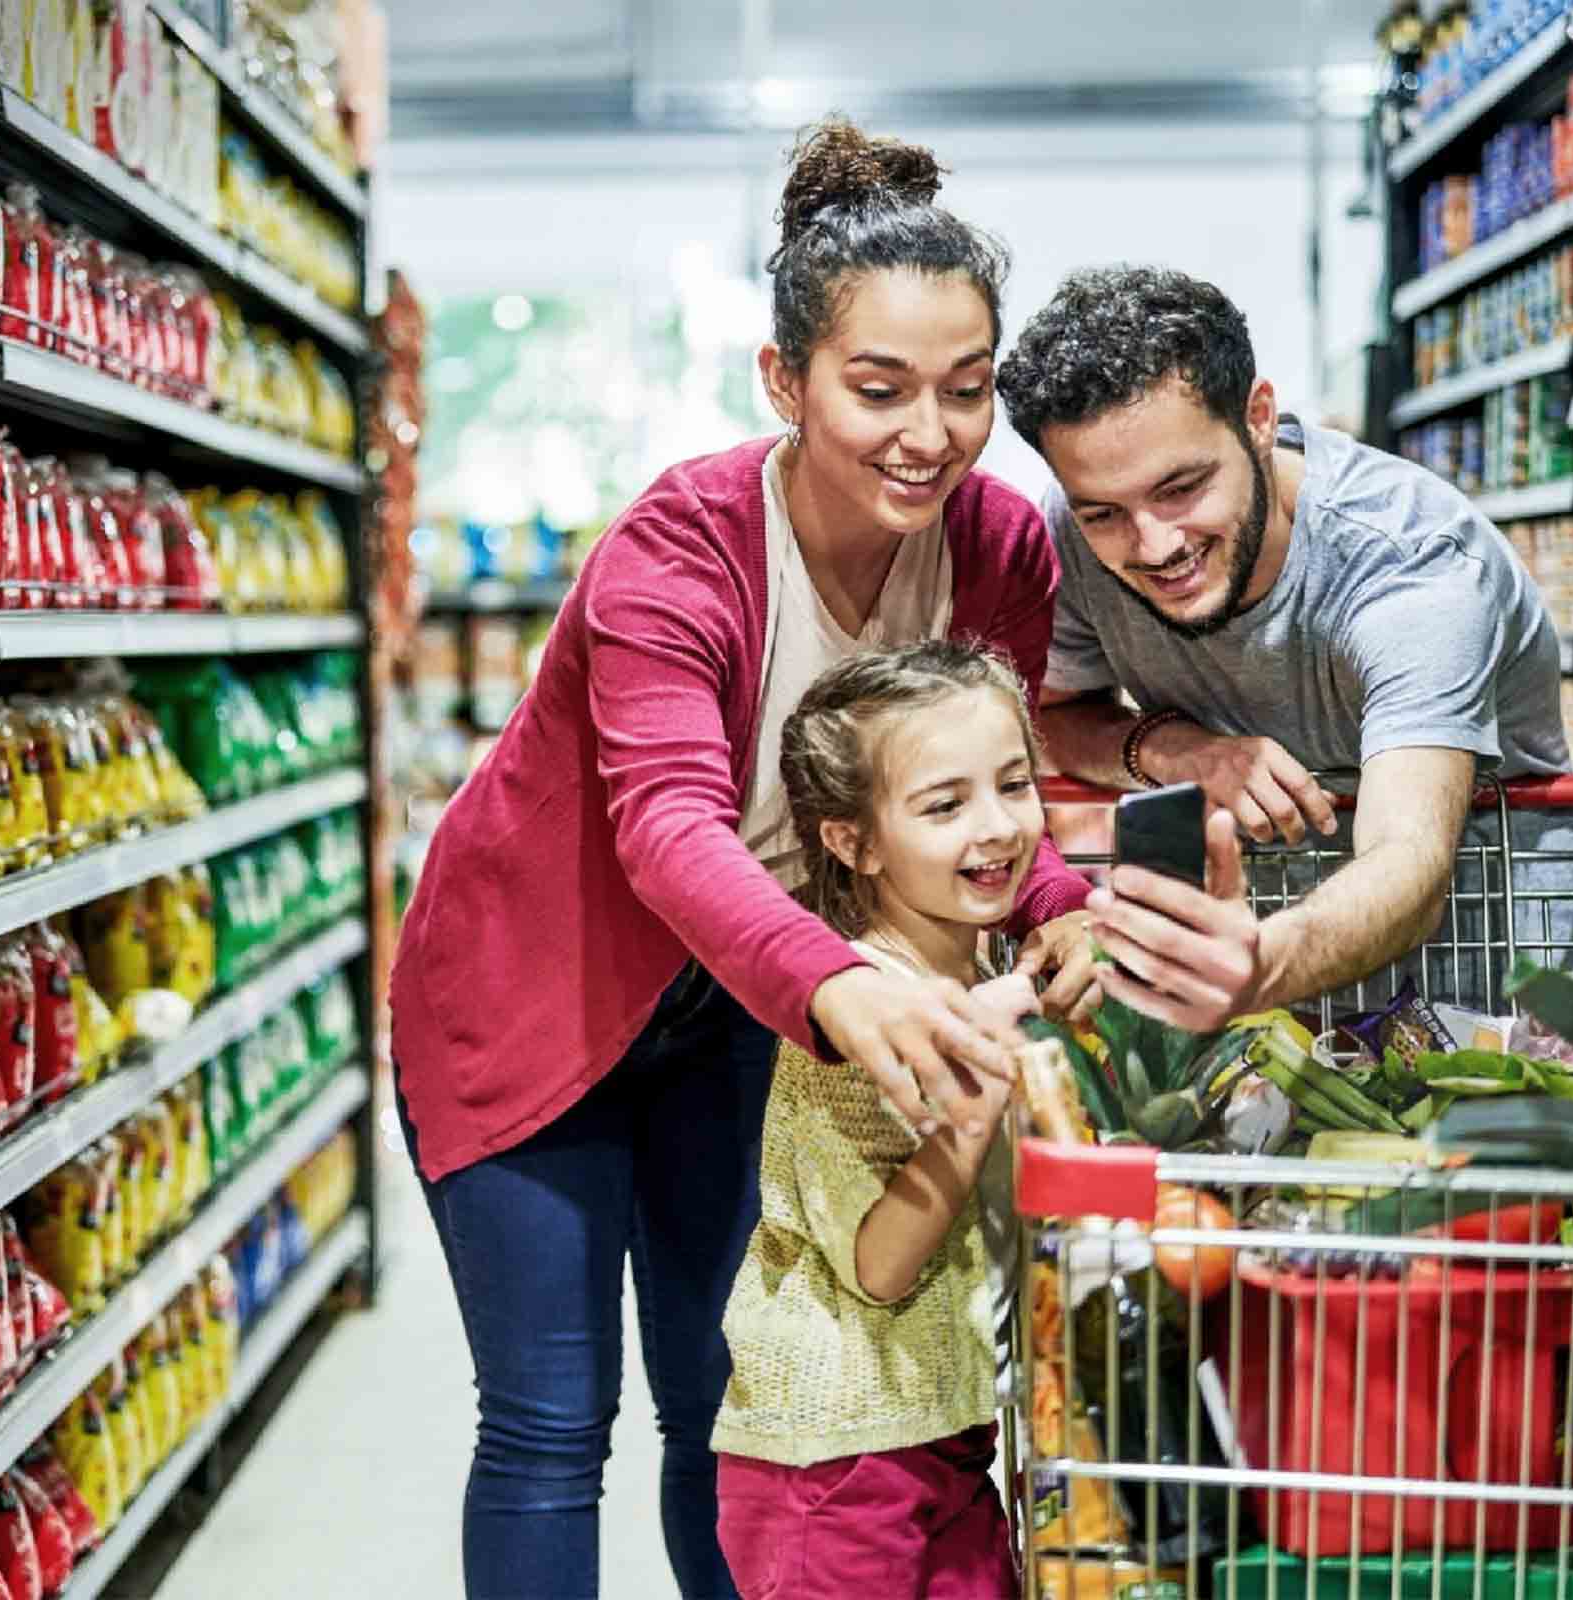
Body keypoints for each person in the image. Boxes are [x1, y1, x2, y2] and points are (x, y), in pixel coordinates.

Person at [386, 119, 1134, 1599]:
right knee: (548, 1421)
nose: (930, 430)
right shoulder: (680, 548)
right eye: (879, 388)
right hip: (534, 993)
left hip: (751, 1001)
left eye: (967, 390)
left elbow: (985, 788)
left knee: (725, 1404)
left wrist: (1060, 903)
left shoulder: (997, 549)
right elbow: (664, 826)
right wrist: (844, 991)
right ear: (783, 382)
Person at [709, 640, 1257, 1600]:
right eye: (943, 805)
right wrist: (970, 1117)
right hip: (832, 1459)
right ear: (854, 841)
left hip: (952, 1432)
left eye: (1013, 784)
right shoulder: (862, 1012)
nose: (998, 827)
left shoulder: (986, 974)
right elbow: (878, 1268)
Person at [995, 264, 1573, 1024]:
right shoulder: (1075, 538)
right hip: (1258, 972)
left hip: (1482, 982)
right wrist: (1178, 749)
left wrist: (1260, 965)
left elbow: (1408, 858)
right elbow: (1055, 716)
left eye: (1181, 489)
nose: (1152, 544)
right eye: (1103, 511)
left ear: (1258, 418)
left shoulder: (1412, 568)